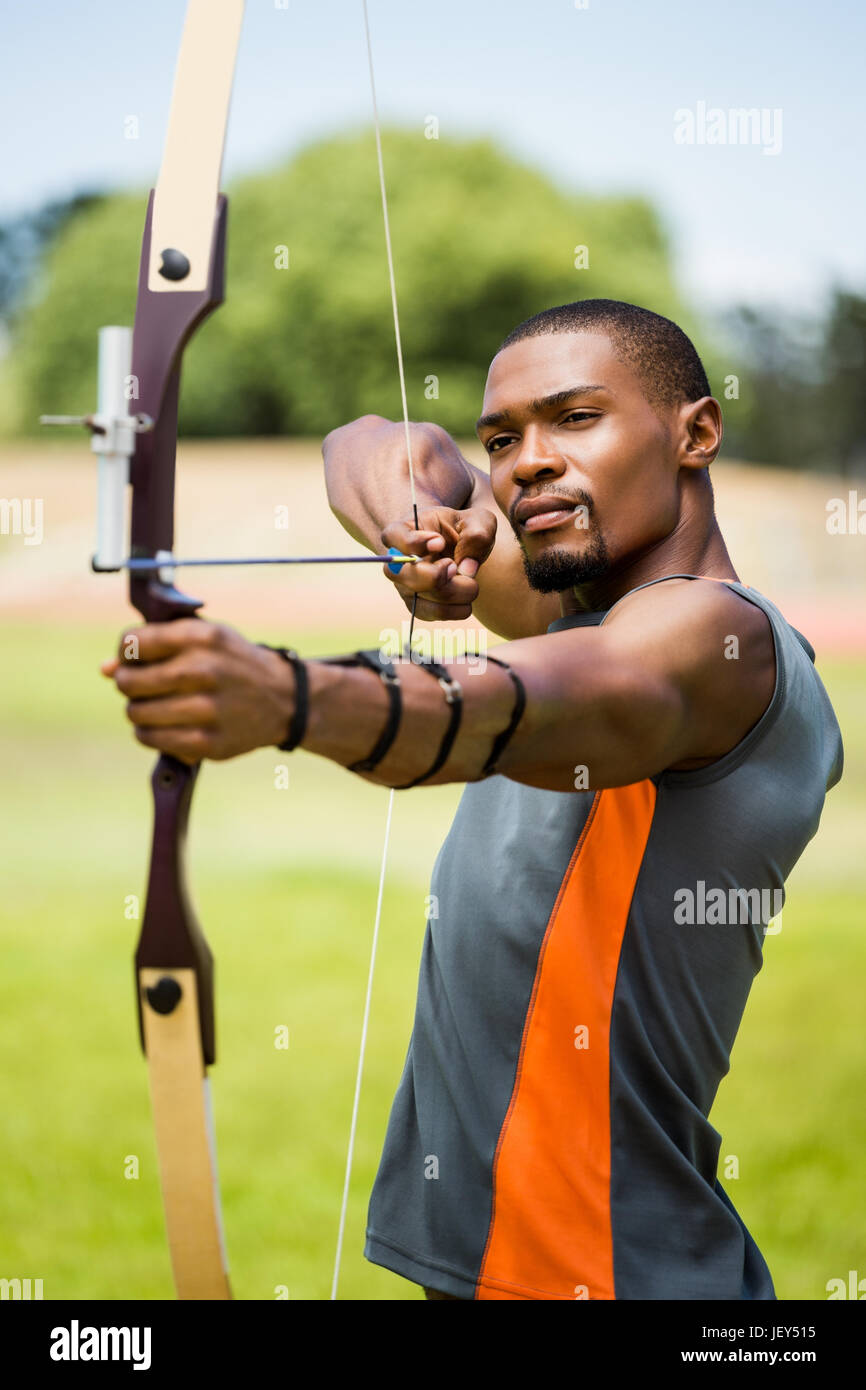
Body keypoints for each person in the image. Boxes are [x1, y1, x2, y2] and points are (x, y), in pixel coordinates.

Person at [105, 299, 843, 1300]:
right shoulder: (565, 608)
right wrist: (410, 523)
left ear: (693, 432)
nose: (525, 462)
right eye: (501, 438)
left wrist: (285, 696)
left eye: (575, 418)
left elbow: (521, 705)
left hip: (607, 1271)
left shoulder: (718, 643)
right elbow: (366, 442)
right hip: (504, 1268)